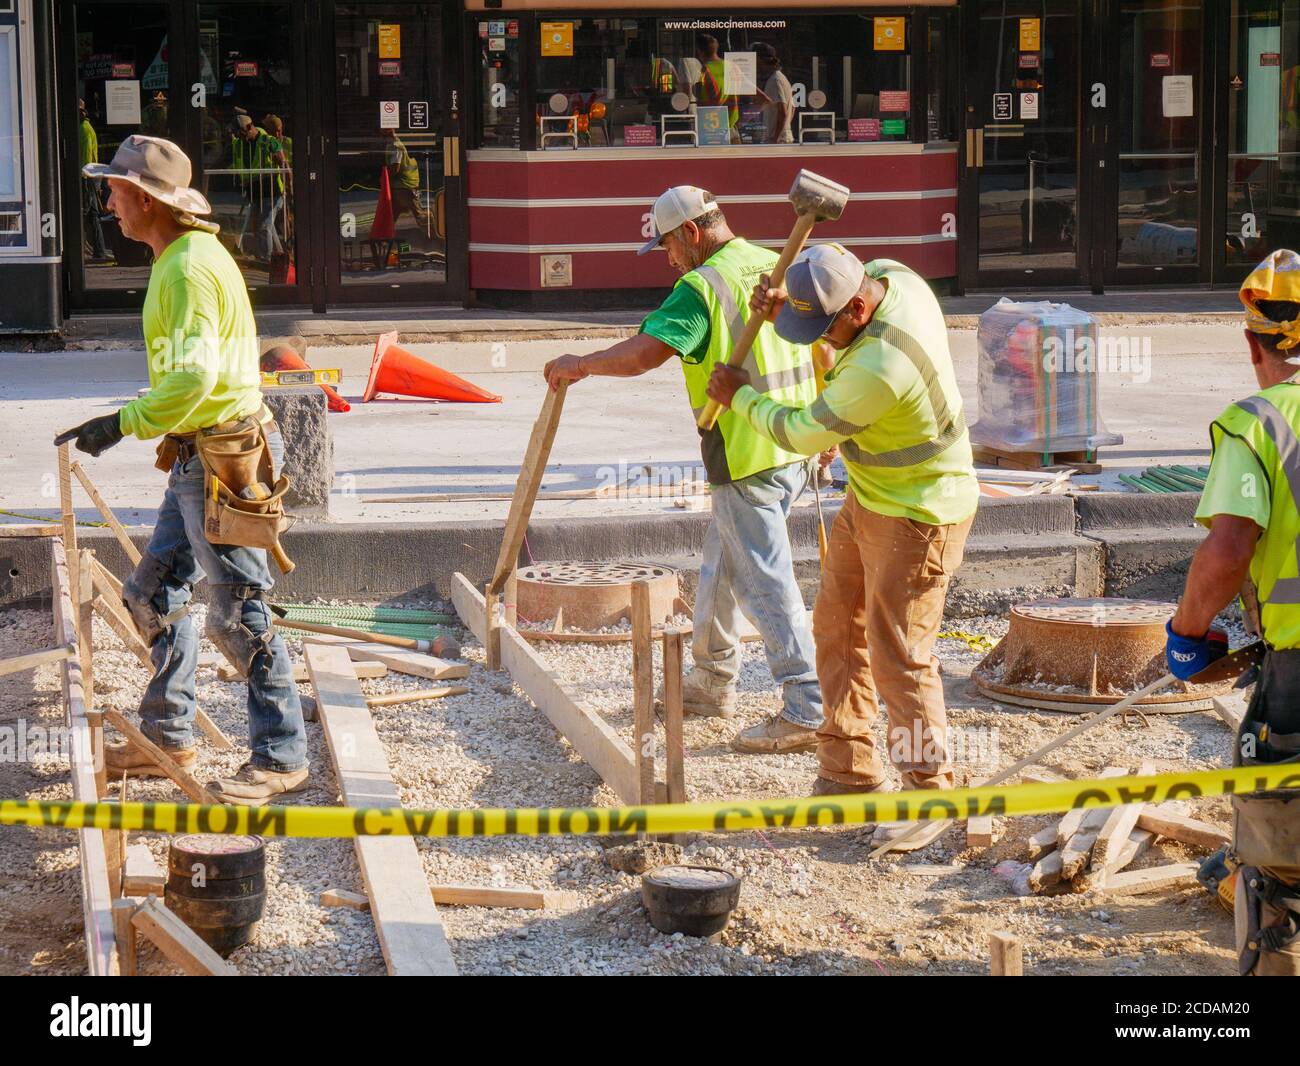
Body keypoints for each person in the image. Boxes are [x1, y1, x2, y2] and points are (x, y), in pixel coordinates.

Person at [56, 135, 309, 806]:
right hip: (204, 454)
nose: (108, 203)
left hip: (224, 456)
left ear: (145, 199)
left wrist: (124, 421)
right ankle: (169, 732)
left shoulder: (188, 268)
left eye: (115, 192)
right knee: (150, 596)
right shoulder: (183, 258)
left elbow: (196, 376)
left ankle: (282, 755)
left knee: (239, 611)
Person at [706, 243, 978, 851]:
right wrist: (787, 308)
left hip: (920, 513)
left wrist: (739, 395)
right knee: (835, 624)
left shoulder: (880, 365)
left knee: (899, 654)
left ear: (857, 307)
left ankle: (926, 787)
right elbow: (831, 317)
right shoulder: (893, 275)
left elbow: (799, 431)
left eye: (822, 325)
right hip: (873, 494)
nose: (813, 339)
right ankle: (848, 771)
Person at [543, 186, 824, 753]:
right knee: (724, 562)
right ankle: (712, 681)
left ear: (692, 233)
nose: (669, 259)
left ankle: (806, 703)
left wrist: (581, 364)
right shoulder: (772, 263)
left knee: (764, 582)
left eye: (669, 244)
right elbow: (819, 346)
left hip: (747, 452)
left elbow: (646, 352)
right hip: (793, 441)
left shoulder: (701, 288)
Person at [1163, 248, 1300, 975]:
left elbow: (1228, 549)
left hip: (1298, 667)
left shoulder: (1258, 423)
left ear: (1253, 342)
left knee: (1282, 847)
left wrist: (1188, 633)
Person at [232, 113, 289, 261]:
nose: (241, 137)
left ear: (250, 127)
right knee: (257, 227)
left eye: (242, 133)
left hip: (272, 192)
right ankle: (261, 257)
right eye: (238, 135)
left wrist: (289, 188)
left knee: (265, 226)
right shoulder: (239, 144)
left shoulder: (268, 142)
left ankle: (266, 260)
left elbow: (284, 165)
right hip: (254, 193)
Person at [383, 128, 430, 233]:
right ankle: (385, 238)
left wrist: (384, 177)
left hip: (404, 187)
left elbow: (395, 167)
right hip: (403, 186)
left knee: (419, 215)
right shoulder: (393, 144)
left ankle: (433, 235)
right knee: (417, 214)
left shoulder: (395, 146)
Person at [694, 34, 739, 140]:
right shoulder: (733, 66)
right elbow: (759, 95)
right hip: (732, 128)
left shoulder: (705, 71)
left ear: (699, 51)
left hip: (712, 131)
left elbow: (711, 100)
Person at [78, 99, 108, 260]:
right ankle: (99, 249)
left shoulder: (84, 130)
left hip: (87, 177)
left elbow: (87, 157)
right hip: (91, 177)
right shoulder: (85, 128)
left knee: (87, 213)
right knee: (92, 215)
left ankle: (95, 249)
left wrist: (84, 177)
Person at [754, 43, 793, 144]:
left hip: (776, 141)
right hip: (781, 138)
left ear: (759, 59)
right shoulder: (780, 77)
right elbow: (792, 108)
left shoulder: (775, 80)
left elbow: (782, 112)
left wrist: (775, 139)